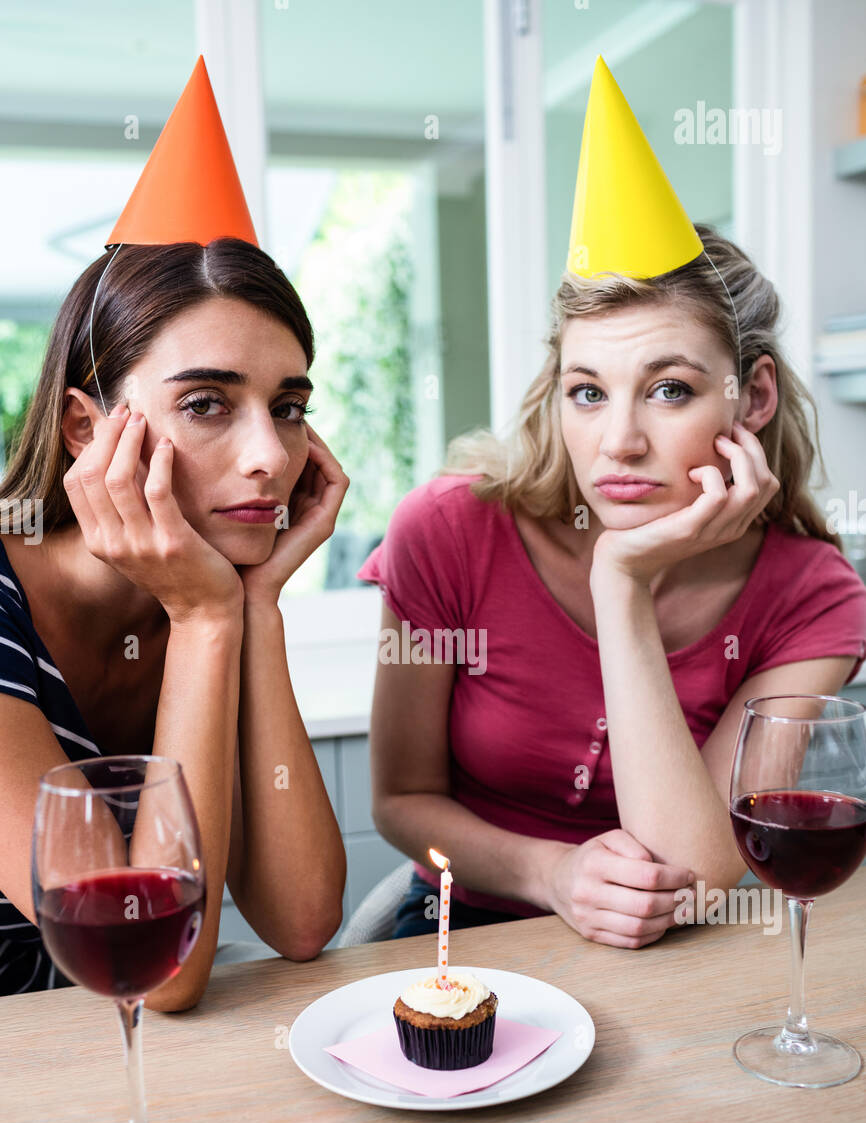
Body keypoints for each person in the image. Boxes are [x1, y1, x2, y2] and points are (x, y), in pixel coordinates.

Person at [357, 57, 866, 947]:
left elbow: (702, 872)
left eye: (668, 389)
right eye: (588, 391)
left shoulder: (814, 596)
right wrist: (550, 873)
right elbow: (402, 801)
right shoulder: (447, 530)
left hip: (681, 959)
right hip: (464, 937)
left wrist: (622, 582)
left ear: (752, 398)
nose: (619, 441)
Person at [0, 61, 348, 1000]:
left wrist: (256, 606)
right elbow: (156, 970)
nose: (270, 458)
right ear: (86, 427)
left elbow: (303, 918)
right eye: (206, 404)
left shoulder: (213, 589)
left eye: (288, 406)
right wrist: (205, 619)